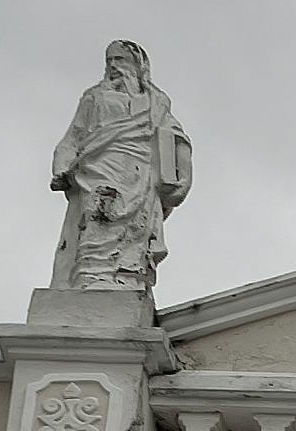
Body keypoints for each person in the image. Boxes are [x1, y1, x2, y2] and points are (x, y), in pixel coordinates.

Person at [51, 40, 191, 297]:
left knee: (136, 228)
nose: (113, 66)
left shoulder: (156, 101)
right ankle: (91, 277)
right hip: (99, 167)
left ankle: (127, 277)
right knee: (97, 217)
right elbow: (73, 137)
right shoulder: (94, 97)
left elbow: (177, 138)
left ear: (138, 65)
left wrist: (183, 176)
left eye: (120, 59)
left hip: (141, 172)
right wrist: (61, 167)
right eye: (109, 61)